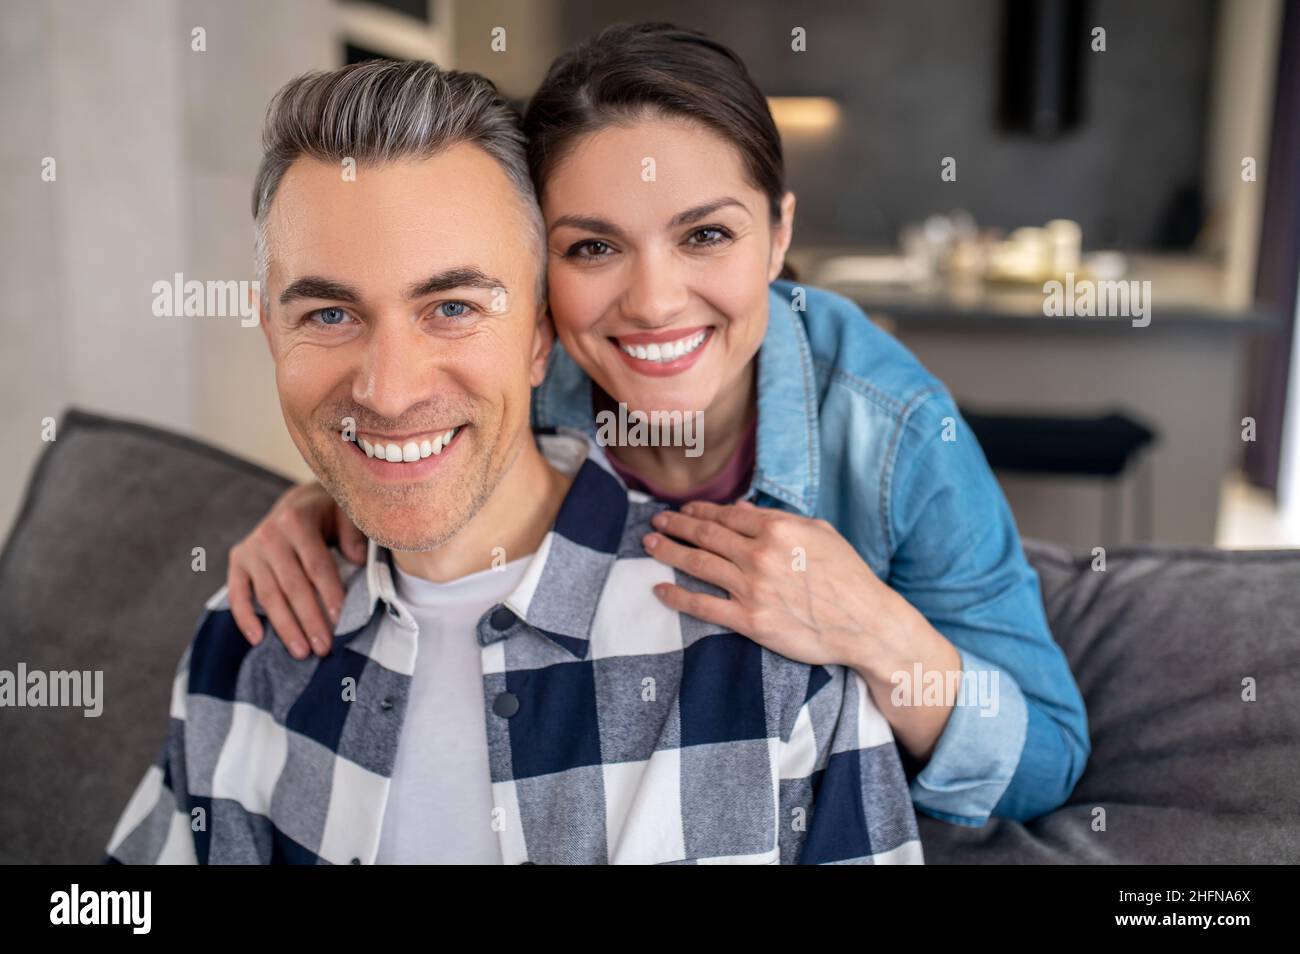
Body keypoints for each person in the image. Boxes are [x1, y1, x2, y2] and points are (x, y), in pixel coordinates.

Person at [225, 23, 1090, 827]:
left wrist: (872, 628)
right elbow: (402, 413)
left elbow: (1045, 757)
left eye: (707, 235)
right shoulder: (524, 364)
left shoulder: (893, 426)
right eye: (592, 248)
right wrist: (331, 497)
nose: (654, 302)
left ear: (779, 233)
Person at [105, 59, 922, 865]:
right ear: (271, 331)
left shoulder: (771, 642)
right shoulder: (243, 641)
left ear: (540, 334)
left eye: (453, 307)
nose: (388, 392)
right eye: (329, 313)